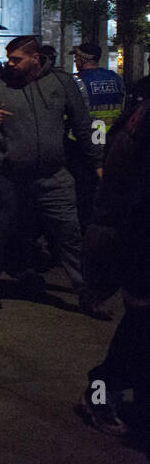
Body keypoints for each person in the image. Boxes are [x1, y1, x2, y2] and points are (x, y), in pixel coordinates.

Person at [0, 36, 108, 318]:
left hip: (53, 176)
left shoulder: (61, 83)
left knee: (70, 236)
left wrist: (97, 162)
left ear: (34, 58)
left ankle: (87, 295)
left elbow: (82, 125)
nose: (10, 64)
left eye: (16, 59)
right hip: (8, 176)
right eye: (9, 59)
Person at [78, 95, 150, 434]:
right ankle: (101, 390)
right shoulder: (142, 117)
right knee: (141, 322)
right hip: (136, 234)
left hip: (130, 231)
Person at [70, 42, 124, 229]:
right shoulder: (115, 79)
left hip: (83, 145)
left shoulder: (76, 82)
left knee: (83, 192)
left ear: (84, 59)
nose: (75, 61)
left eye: (76, 57)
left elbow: (71, 115)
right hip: (110, 141)